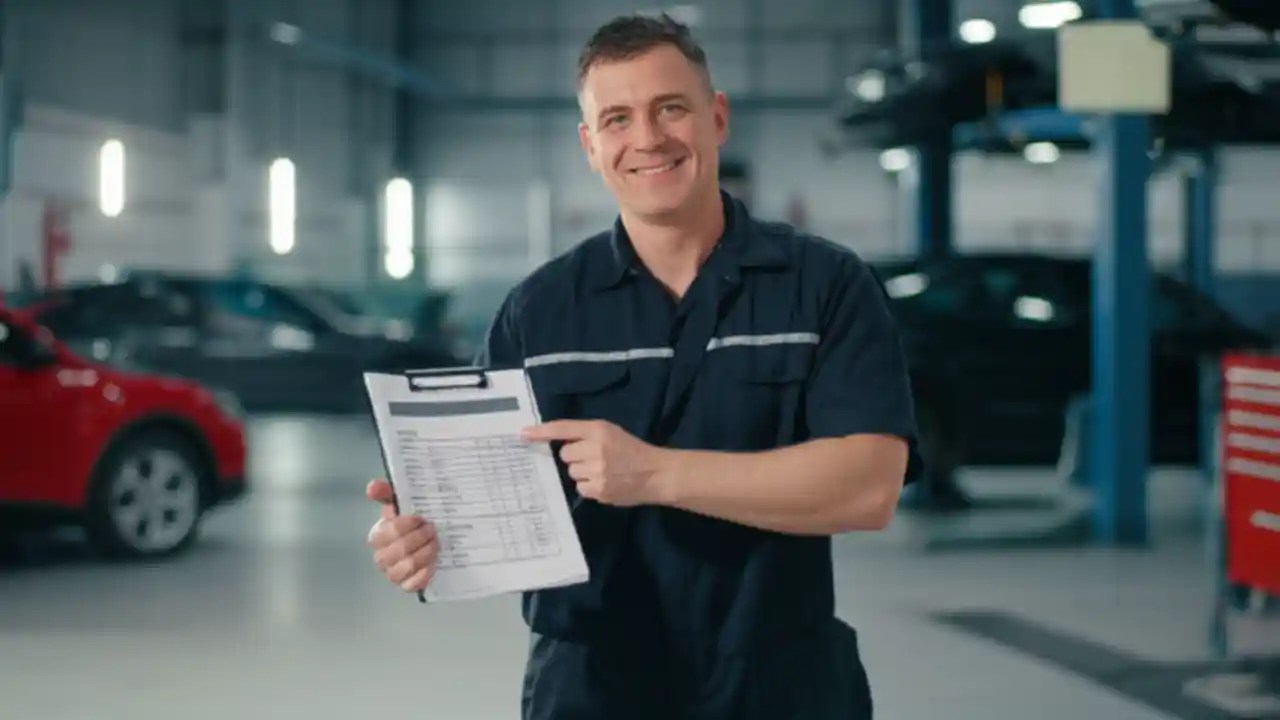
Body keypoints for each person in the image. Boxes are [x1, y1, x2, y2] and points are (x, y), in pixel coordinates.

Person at [365, 13, 921, 719]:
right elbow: (486, 500)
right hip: (593, 686)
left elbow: (868, 488)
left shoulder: (825, 286)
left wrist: (654, 473)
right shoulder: (538, 312)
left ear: (717, 118)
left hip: (780, 682)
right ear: (590, 146)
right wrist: (419, 539)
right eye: (618, 119)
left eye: (671, 108)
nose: (648, 139)